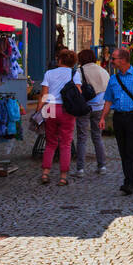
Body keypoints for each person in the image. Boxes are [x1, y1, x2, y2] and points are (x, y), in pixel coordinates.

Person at [100, 47, 133, 196]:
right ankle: (132, 177)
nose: (111, 61)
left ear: (122, 60)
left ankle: (128, 181)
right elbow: (108, 100)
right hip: (119, 117)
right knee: (123, 150)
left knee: (132, 149)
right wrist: (103, 117)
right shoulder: (113, 79)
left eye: (114, 59)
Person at [38, 48, 82, 186]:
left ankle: (45, 173)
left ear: (60, 60)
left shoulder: (49, 73)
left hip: (50, 107)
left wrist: (39, 110)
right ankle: (63, 176)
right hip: (66, 109)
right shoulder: (74, 74)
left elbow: (44, 94)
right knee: (65, 143)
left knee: (50, 142)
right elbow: (78, 92)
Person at [73, 48, 109, 176]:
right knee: (97, 137)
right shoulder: (103, 71)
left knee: (82, 138)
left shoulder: (79, 71)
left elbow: (76, 90)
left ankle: (80, 169)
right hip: (100, 108)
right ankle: (102, 166)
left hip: (85, 107)